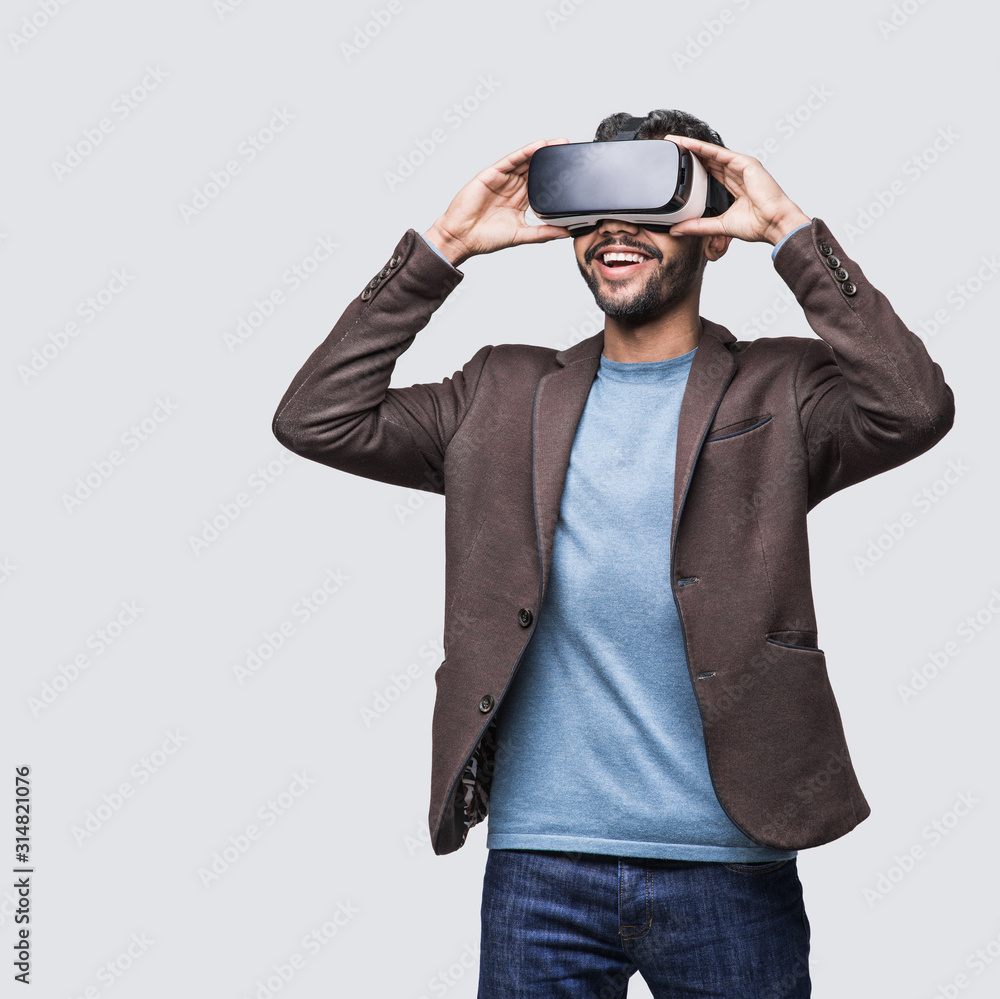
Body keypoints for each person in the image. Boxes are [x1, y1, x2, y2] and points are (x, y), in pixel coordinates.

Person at [272, 109, 955, 998]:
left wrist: (791, 233)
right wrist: (442, 246)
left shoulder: (782, 388)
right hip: (540, 861)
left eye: (649, 200)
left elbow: (915, 408)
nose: (614, 229)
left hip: (729, 862)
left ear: (712, 236)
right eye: (593, 206)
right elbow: (316, 417)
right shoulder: (498, 390)